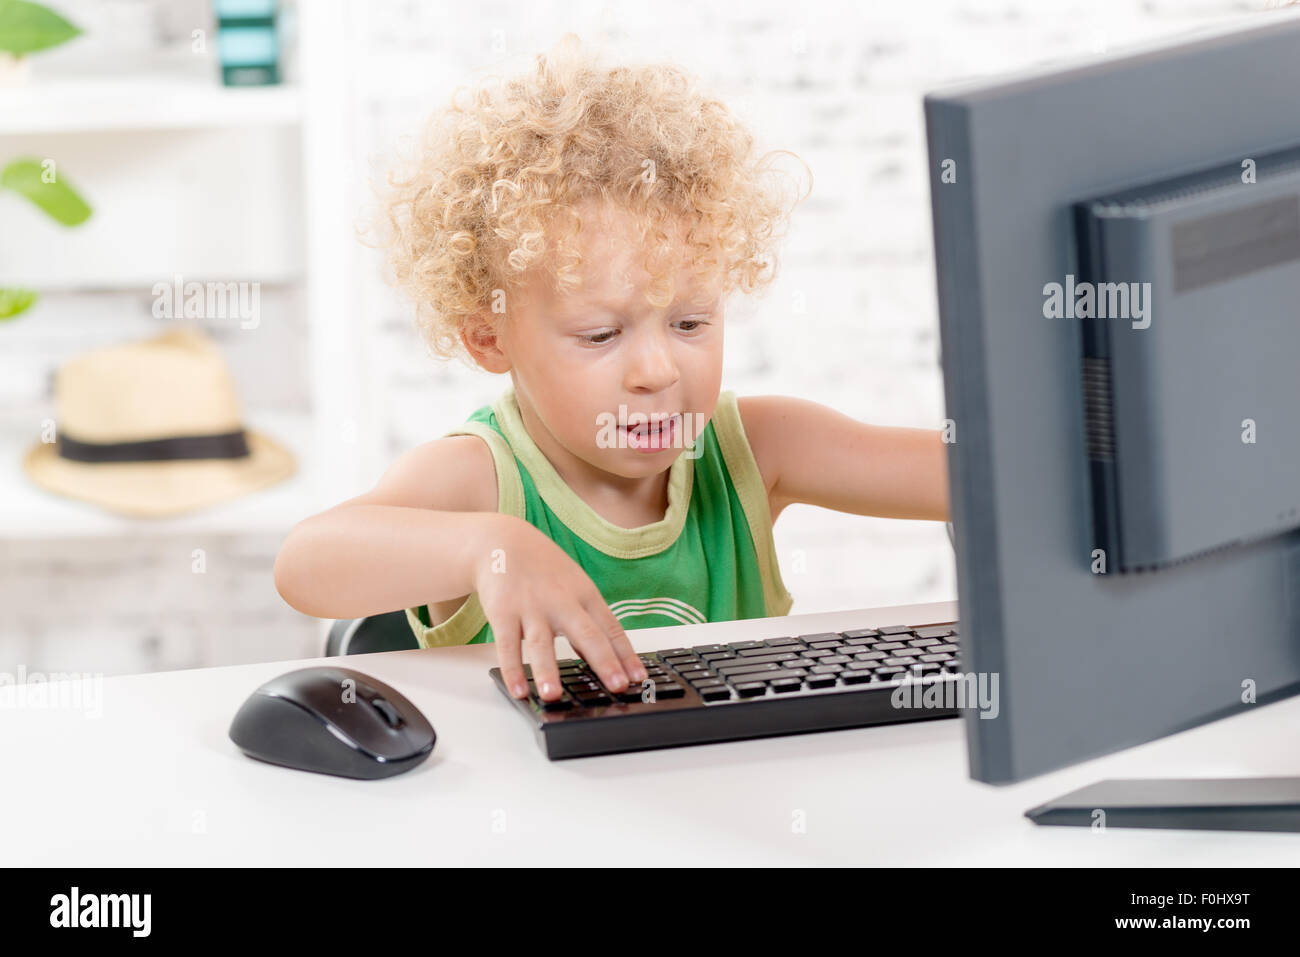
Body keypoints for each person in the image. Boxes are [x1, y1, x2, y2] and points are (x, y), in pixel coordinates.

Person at [274, 36, 949, 704]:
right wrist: (491, 546)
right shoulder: (479, 481)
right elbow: (304, 563)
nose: (658, 370)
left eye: (690, 323)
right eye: (601, 333)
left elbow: (981, 476)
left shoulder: (758, 450)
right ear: (488, 338)